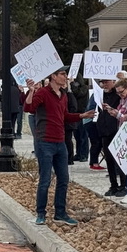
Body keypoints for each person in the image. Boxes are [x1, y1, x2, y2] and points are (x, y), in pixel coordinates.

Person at [25, 69, 95, 225]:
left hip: (60, 142)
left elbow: (64, 116)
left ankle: (60, 213)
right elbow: (29, 108)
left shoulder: (63, 95)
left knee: (64, 179)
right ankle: (41, 213)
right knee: (45, 179)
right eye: (62, 75)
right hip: (45, 142)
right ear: (53, 76)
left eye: (65, 75)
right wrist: (31, 91)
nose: (66, 77)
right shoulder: (43, 92)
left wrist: (82, 116)